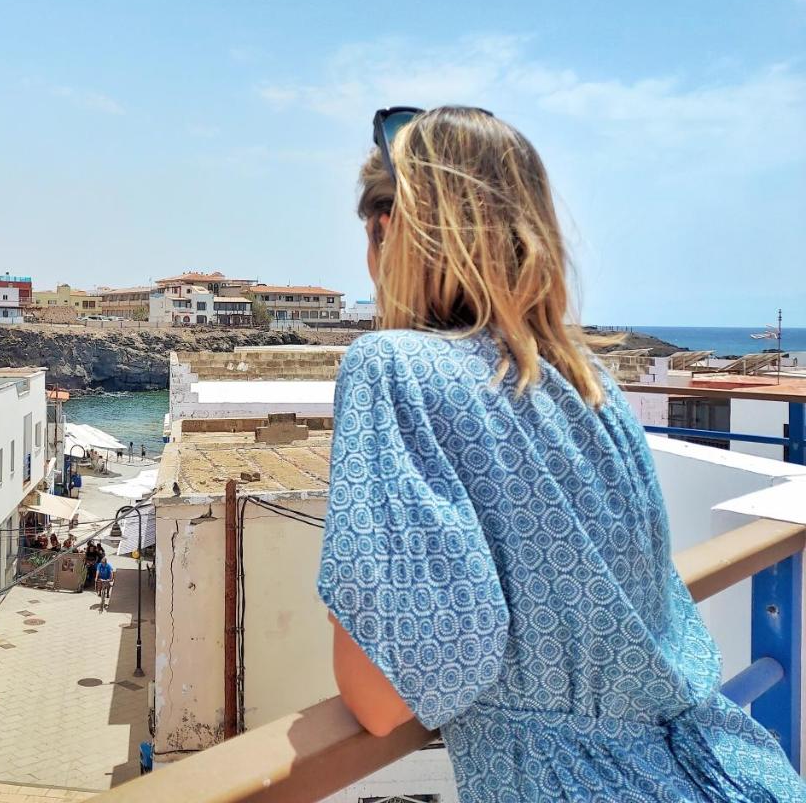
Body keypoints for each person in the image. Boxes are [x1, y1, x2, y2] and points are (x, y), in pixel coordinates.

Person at [318, 106, 803, 802]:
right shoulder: (588, 380)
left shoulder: (391, 367)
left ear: (391, 232)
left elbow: (383, 698)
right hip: (731, 768)